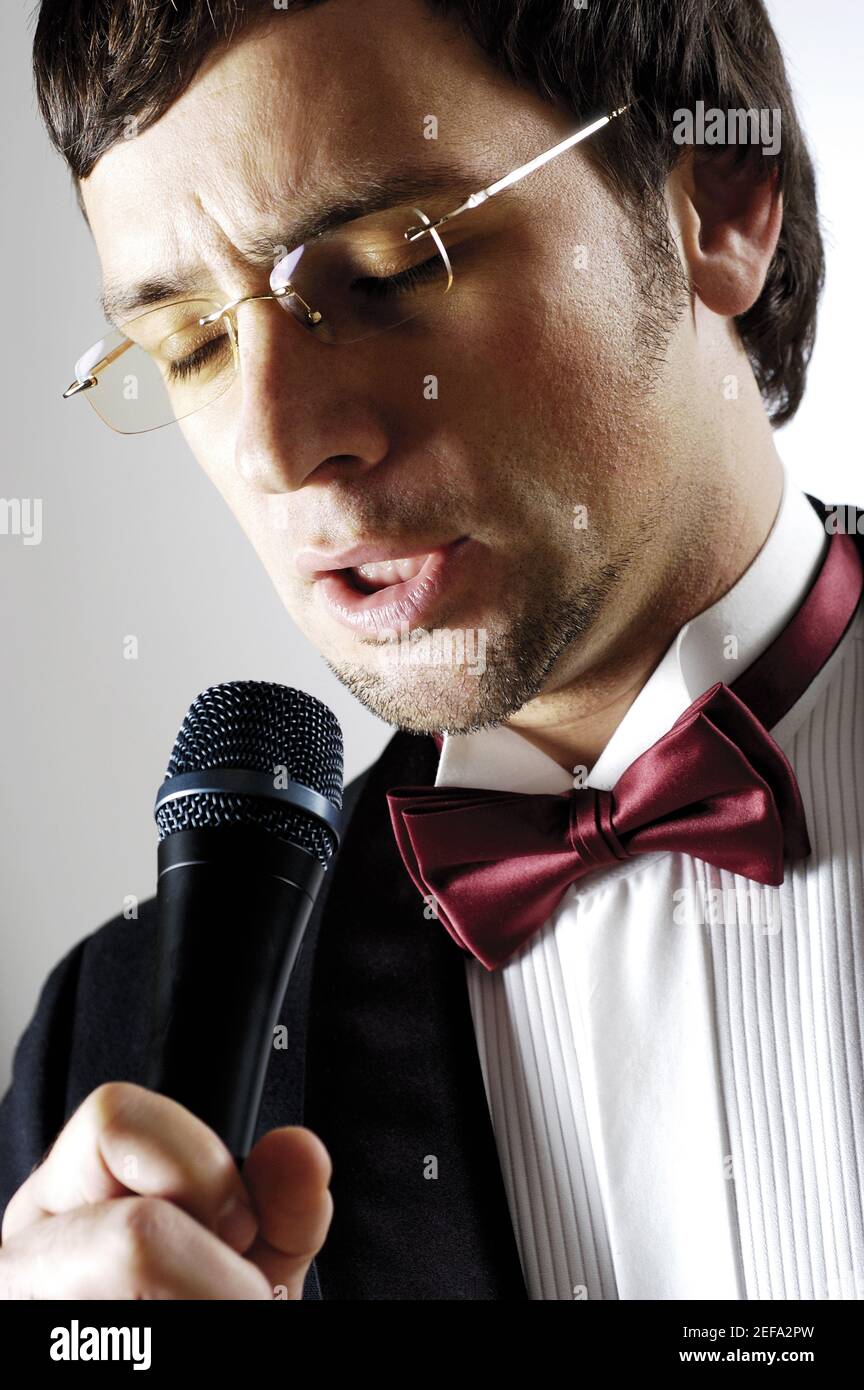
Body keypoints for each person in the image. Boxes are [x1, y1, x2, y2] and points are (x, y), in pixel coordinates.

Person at [1, 0, 861, 1300]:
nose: (279, 448)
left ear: (721, 204)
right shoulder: (103, 1058)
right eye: (190, 344)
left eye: (394, 267)